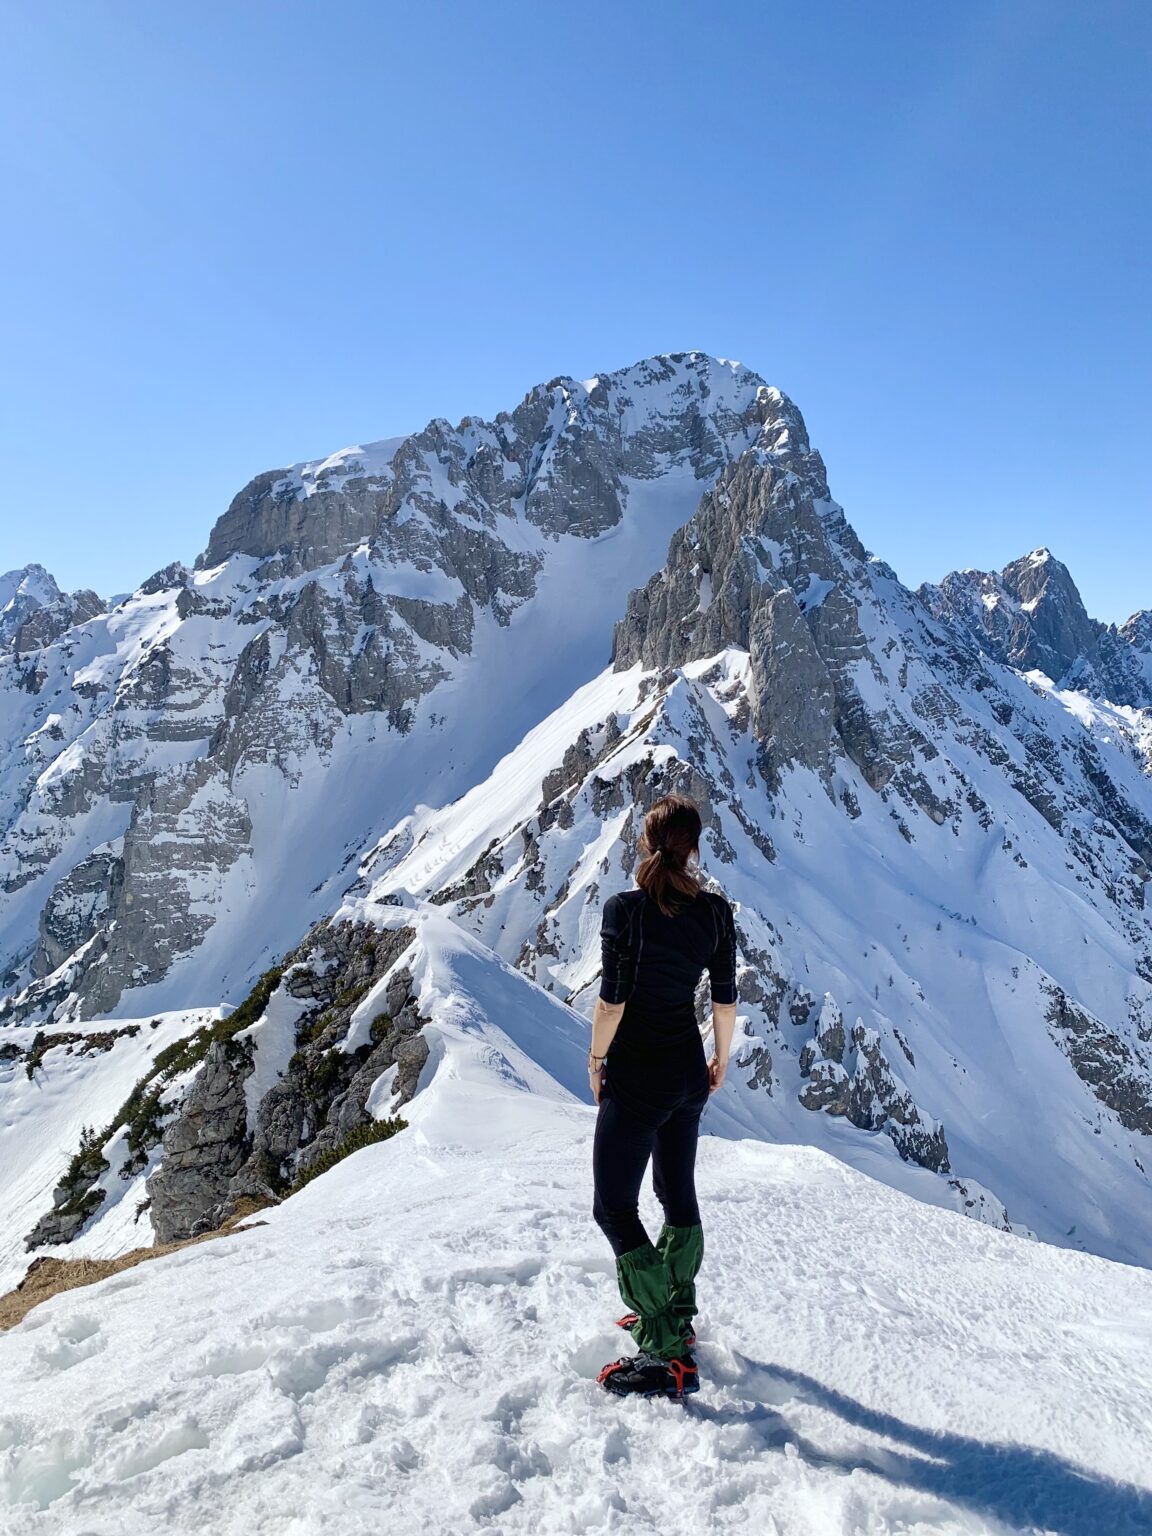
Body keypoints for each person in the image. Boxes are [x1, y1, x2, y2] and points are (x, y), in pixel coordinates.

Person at [589, 792, 739, 1399]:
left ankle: (665, 1349)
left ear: (643, 845)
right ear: (693, 850)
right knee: (676, 1194)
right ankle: (675, 1312)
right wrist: (718, 1060)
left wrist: (597, 1059)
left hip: (637, 1076)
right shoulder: (716, 912)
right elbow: (725, 1002)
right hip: (686, 1073)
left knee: (614, 1209)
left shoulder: (624, 910)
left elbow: (611, 1003)